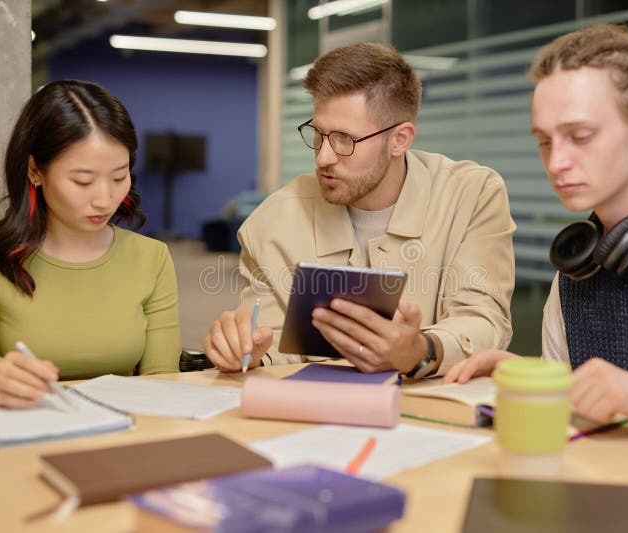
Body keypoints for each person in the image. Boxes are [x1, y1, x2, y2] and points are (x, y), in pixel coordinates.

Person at [444, 24, 628, 439]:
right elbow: (586, 414)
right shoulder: (577, 270)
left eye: (580, 136)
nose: (557, 163)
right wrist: (530, 376)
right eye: (545, 141)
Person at [204, 43, 515, 377]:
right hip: (316, 413)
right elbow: (273, 344)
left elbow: (483, 319)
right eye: (318, 134)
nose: (323, 156)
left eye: (344, 139)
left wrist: (421, 351)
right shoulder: (270, 223)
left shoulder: (472, 194)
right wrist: (245, 352)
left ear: (400, 139)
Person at [0, 80, 181, 406]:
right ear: (35, 171)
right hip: (23, 435)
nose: (105, 200)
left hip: (125, 434)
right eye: (83, 181)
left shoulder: (151, 258)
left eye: (119, 177)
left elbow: (162, 381)